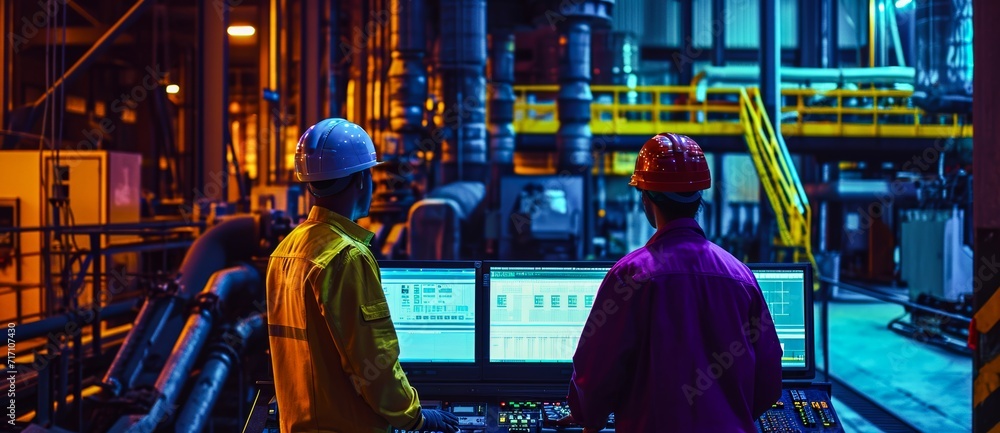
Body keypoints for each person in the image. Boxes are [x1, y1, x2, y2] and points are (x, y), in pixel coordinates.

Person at [562, 133, 783, 432]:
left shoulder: (631, 276)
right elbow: (769, 376)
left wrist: (589, 416)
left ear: (646, 197)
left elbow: (596, 370)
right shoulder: (741, 276)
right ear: (699, 197)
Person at [266, 118, 460, 433]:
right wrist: (414, 417)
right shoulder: (347, 256)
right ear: (360, 180)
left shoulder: (286, 250)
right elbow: (374, 360)